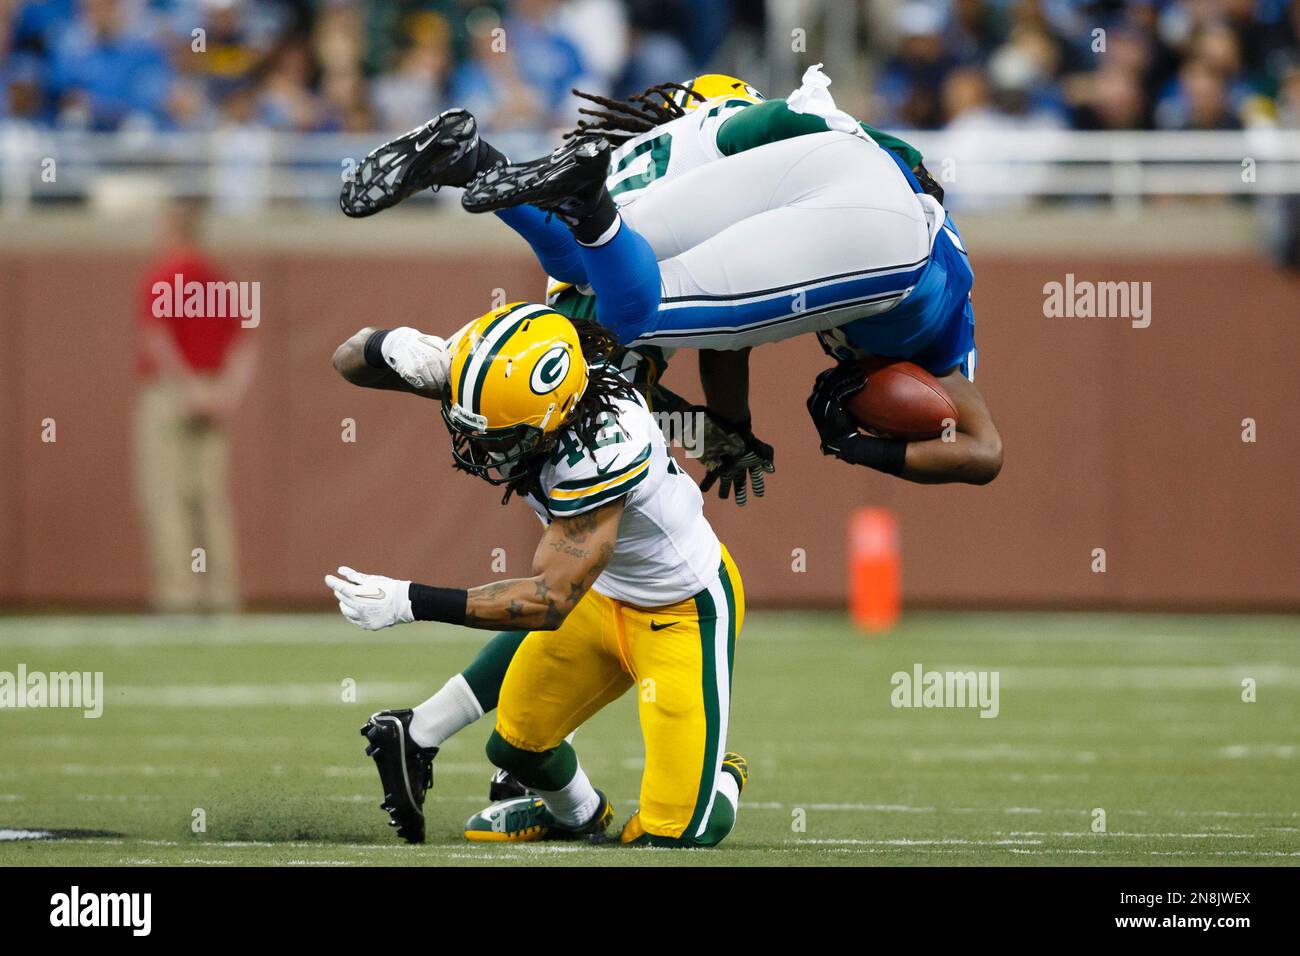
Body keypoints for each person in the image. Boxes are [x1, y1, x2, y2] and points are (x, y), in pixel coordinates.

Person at [327, 306, 747, 847]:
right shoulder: (496, 383)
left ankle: (720, 775)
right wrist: (385, 343)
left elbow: (548, 601)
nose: (483, 447)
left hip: (680, 612)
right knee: (516, 748)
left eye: (502, 436)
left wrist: (410, 600)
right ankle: (576, 815)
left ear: (559, 416)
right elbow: (346, 360)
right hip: (603, 594)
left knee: (672, 837)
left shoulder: (605, 447)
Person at [134, 196, 256, 613]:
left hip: (171, 394)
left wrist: (187, 390)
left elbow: (158, 337)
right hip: (214, 388)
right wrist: (225, 393)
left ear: (172, 228)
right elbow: (245, 344)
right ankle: (222, 593)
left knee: (167, 495)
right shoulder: (219, 278)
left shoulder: (163, 274)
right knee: (212, 499)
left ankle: (180, 595)